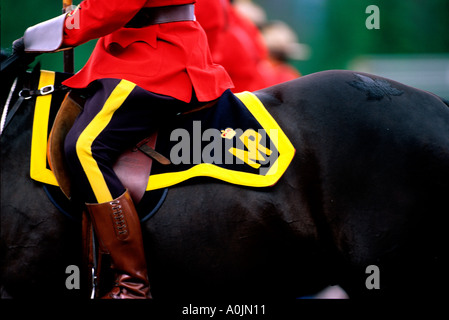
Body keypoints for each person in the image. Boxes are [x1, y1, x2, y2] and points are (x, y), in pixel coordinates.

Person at [17, 0, 233, 299]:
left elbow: (110, 8)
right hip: (126, 54)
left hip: (156, 57)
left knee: (85, 148)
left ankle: (133, 284)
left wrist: (36, 37)